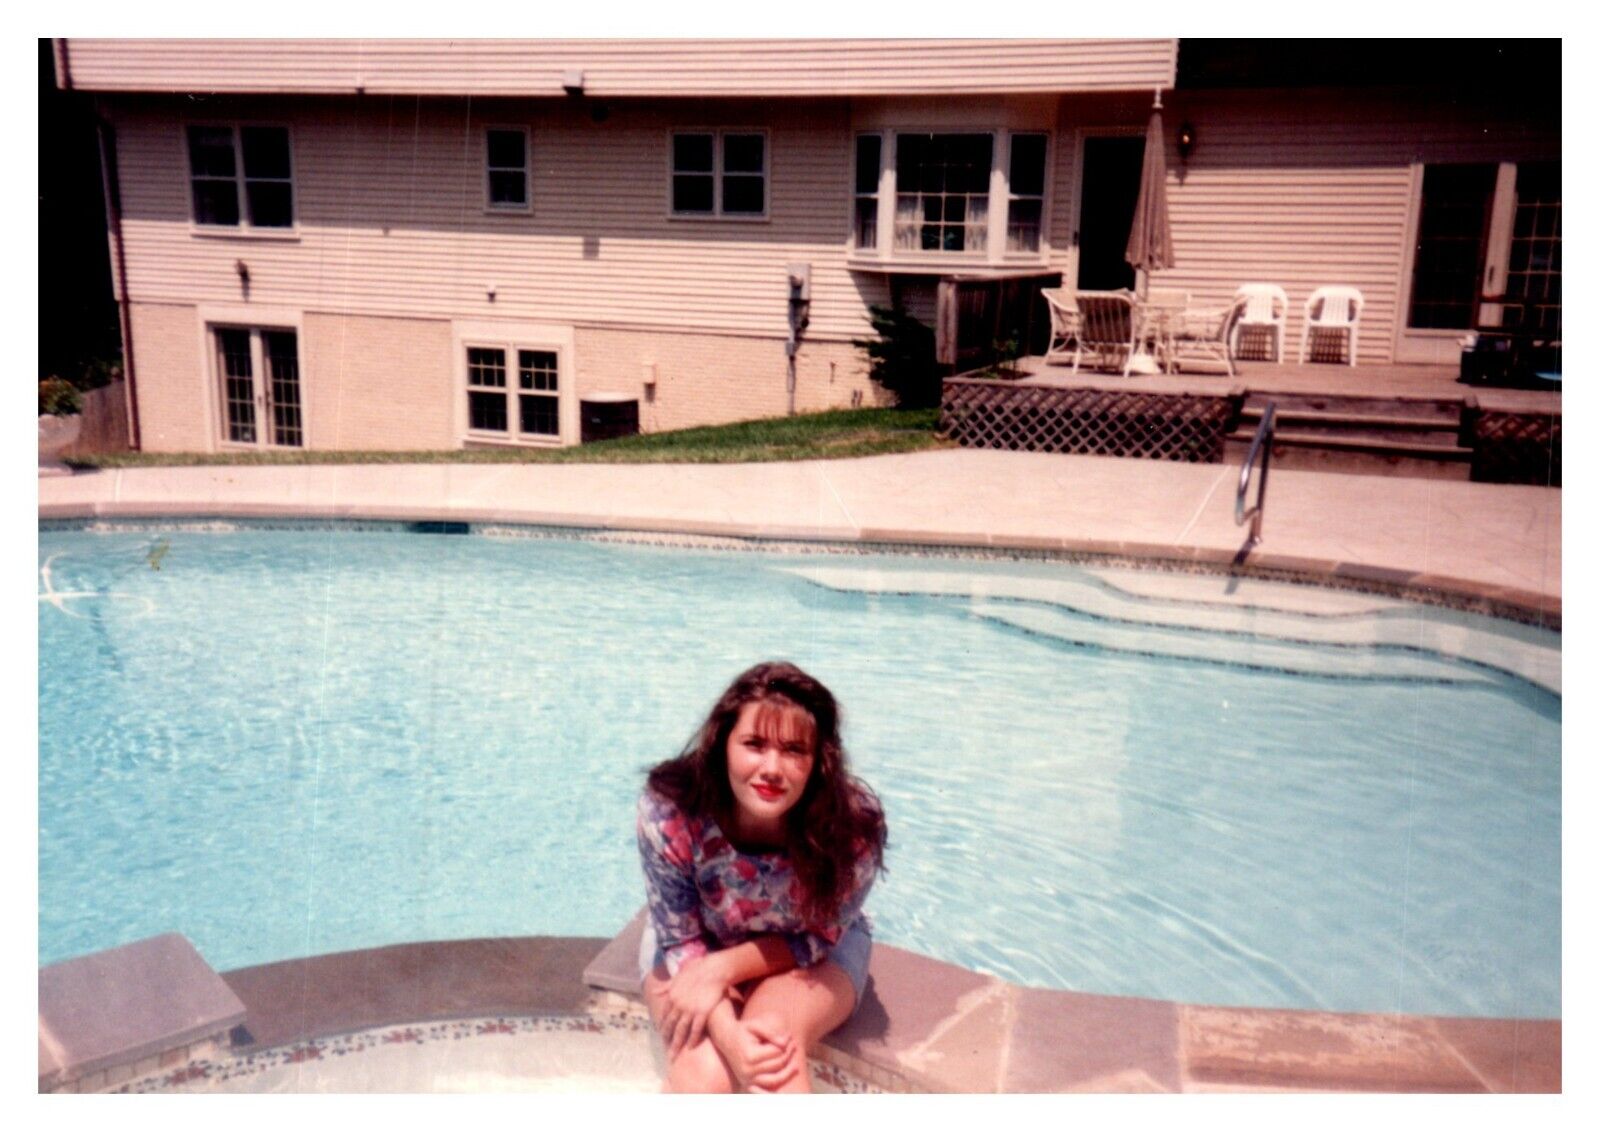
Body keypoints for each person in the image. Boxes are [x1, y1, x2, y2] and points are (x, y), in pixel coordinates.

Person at [636, 661, 887, 1092]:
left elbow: (820, 935)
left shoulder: (853, 828)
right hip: (690, 945)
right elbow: (680, 939)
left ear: (819, 760)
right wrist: (729, 1037)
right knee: (704, 1070)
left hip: (814, 951)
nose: (772, 768)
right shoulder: (672, 809)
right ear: (723, 745)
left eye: (793, 750)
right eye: (754, 744)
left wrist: (723, 969)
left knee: (775, 1050)